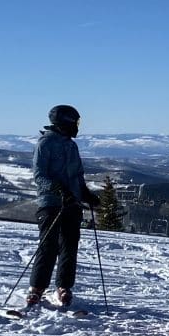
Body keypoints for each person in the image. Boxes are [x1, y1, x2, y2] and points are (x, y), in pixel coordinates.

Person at [26, 105, 101, 309]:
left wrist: (85, 194)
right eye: (75, 122)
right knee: (48, 245)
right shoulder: (46, 143)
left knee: (69, 245)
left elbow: (77, 175)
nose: (77, 127)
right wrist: (58, 189)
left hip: (72, 203)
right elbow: (39, 175)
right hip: (50, 203)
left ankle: (64, 287)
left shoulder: (71, 145)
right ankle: (37, 288)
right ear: (65, 122)